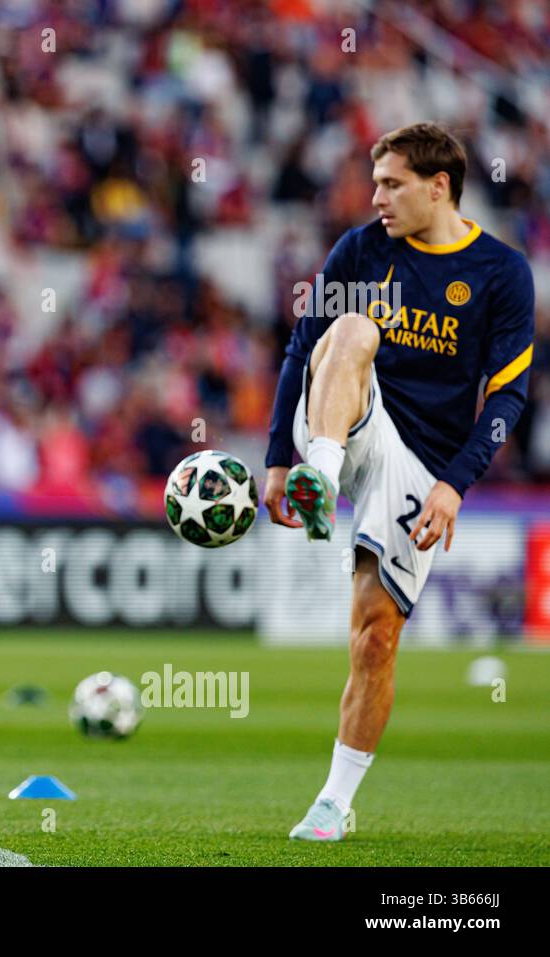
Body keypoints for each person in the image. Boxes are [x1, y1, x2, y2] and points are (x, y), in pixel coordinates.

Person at [264, 123, 535, 841]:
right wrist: (277, 460)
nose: (375, 196)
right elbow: (302, 348)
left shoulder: (502, 272)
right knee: (350, 331)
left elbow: (508, 399)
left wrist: (455, 485)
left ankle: (334, 800)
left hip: (422, 460)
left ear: (438, 186)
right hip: (347, 417)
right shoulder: (362, 249)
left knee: (376, 635)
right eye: (375, 181)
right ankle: (319, 479)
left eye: (391, 183)